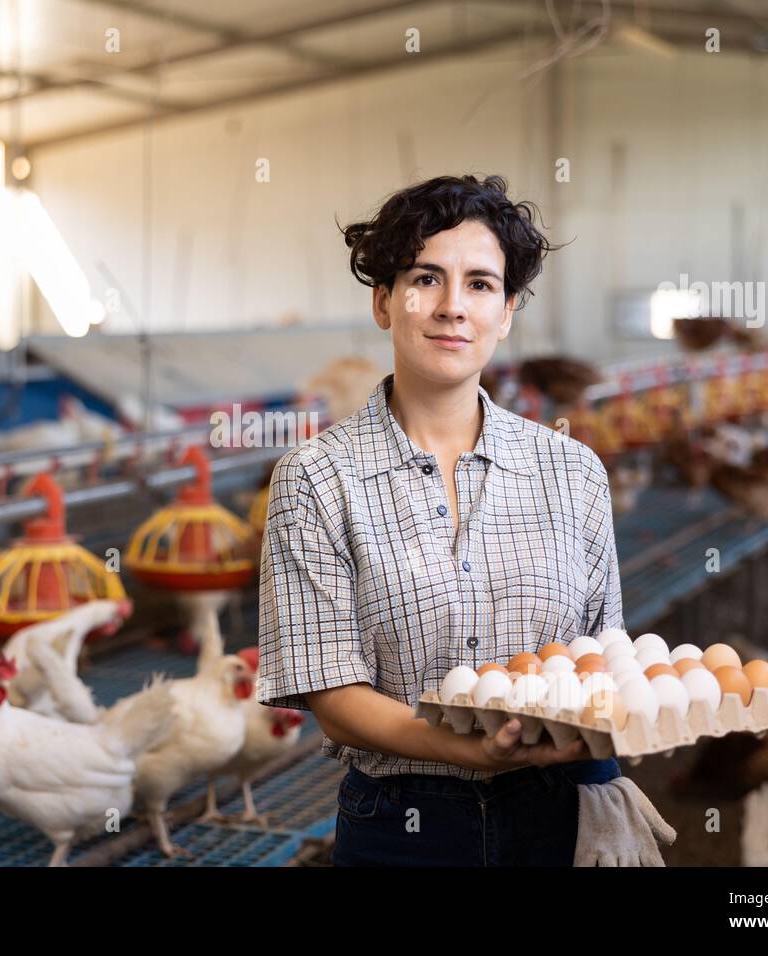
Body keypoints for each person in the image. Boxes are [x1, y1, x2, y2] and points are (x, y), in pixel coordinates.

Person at [256, 174, 624, 866]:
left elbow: (602, 654)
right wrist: (469, 750)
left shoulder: (572, 471)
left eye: (481, 285)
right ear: (384, 302)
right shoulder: (314, 479)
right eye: (426, 279)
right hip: (403, 823)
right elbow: (334, 694)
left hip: (561, 806)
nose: (454, 307)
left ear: (508, 310)